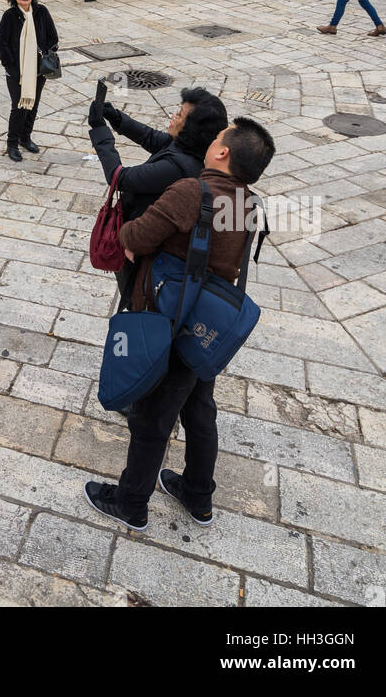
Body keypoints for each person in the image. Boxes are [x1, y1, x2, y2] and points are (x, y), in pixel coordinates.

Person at [84, 115, 275, 532]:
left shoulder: (193, 191)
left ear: (222, 152)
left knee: (152, 420)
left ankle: (131, 503)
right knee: (200, 410)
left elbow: (132, 238)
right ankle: (198, 494)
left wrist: (138, 235)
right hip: (205, 326)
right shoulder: (246, 202)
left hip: (167, 321)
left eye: (217, 139)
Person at [88, 86, 229, 302]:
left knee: (135, 299)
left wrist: (99, 129)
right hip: (145, 240)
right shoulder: (189, 149)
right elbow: (151, 137)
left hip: (141, 250)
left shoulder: (177, 168)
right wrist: (116, 118)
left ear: (191, 130)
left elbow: (119, 177)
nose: (173, 116)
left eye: (179, 115)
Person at [0, 0, 59, 162]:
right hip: (17, 72)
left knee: (33, 105)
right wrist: (12, 65)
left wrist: (43, 54)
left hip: (38, 70)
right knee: (19, 106)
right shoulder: (9, 16)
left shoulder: (41, 12)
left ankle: (25, 138)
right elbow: (1, 44)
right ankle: (12, 143)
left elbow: (53, 38)